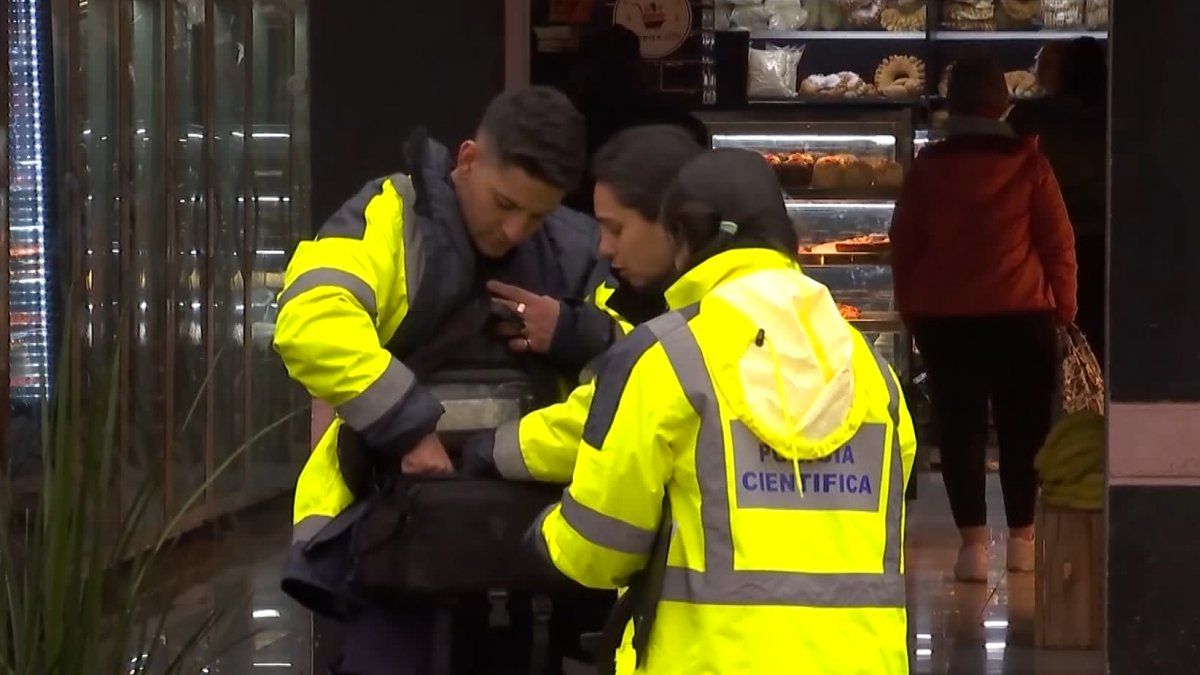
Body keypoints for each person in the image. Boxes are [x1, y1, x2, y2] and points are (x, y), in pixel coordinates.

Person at [501, 149, 917, 673]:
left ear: (689, 240)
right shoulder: (871, 372)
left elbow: (601, 547)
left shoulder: (668, 357)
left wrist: (543, 534)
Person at [273, 86, 624, 674]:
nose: (515, 230)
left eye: (537, 215)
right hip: (392, 547)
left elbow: (641, 370)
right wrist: (408, 428)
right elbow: (310, 319)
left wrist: (575, 332)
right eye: (504, 203)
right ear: (467, 159)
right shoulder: (391, 215)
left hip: (533, 562)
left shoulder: (580, 247)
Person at [890, 55, 1077, 583]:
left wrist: (910, 305)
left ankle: (972, 546)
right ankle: (1022, 539)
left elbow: (905, 243)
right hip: (1022, 314)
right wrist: (1065, 308)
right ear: (1004, 104)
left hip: (945, 317)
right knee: (1023, 428)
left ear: (951, 105)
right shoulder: (1028, 164)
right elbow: (1057, 245)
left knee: (958, 427)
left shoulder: (929, 166)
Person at [467, 124, 704, 482]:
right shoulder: (615, 289)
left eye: (617, 229)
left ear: (675, 225)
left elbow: (614, 413)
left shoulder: (726, 306)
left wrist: (487, 451)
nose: (603, 247)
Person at [1009, 37, 1108, 366]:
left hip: (1045, 246)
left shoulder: (1031, 118)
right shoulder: (1119, 116)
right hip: (1104, 244)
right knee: (1099, 339)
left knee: (1048, 351)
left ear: (1061, 72)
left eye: (1045, 66)